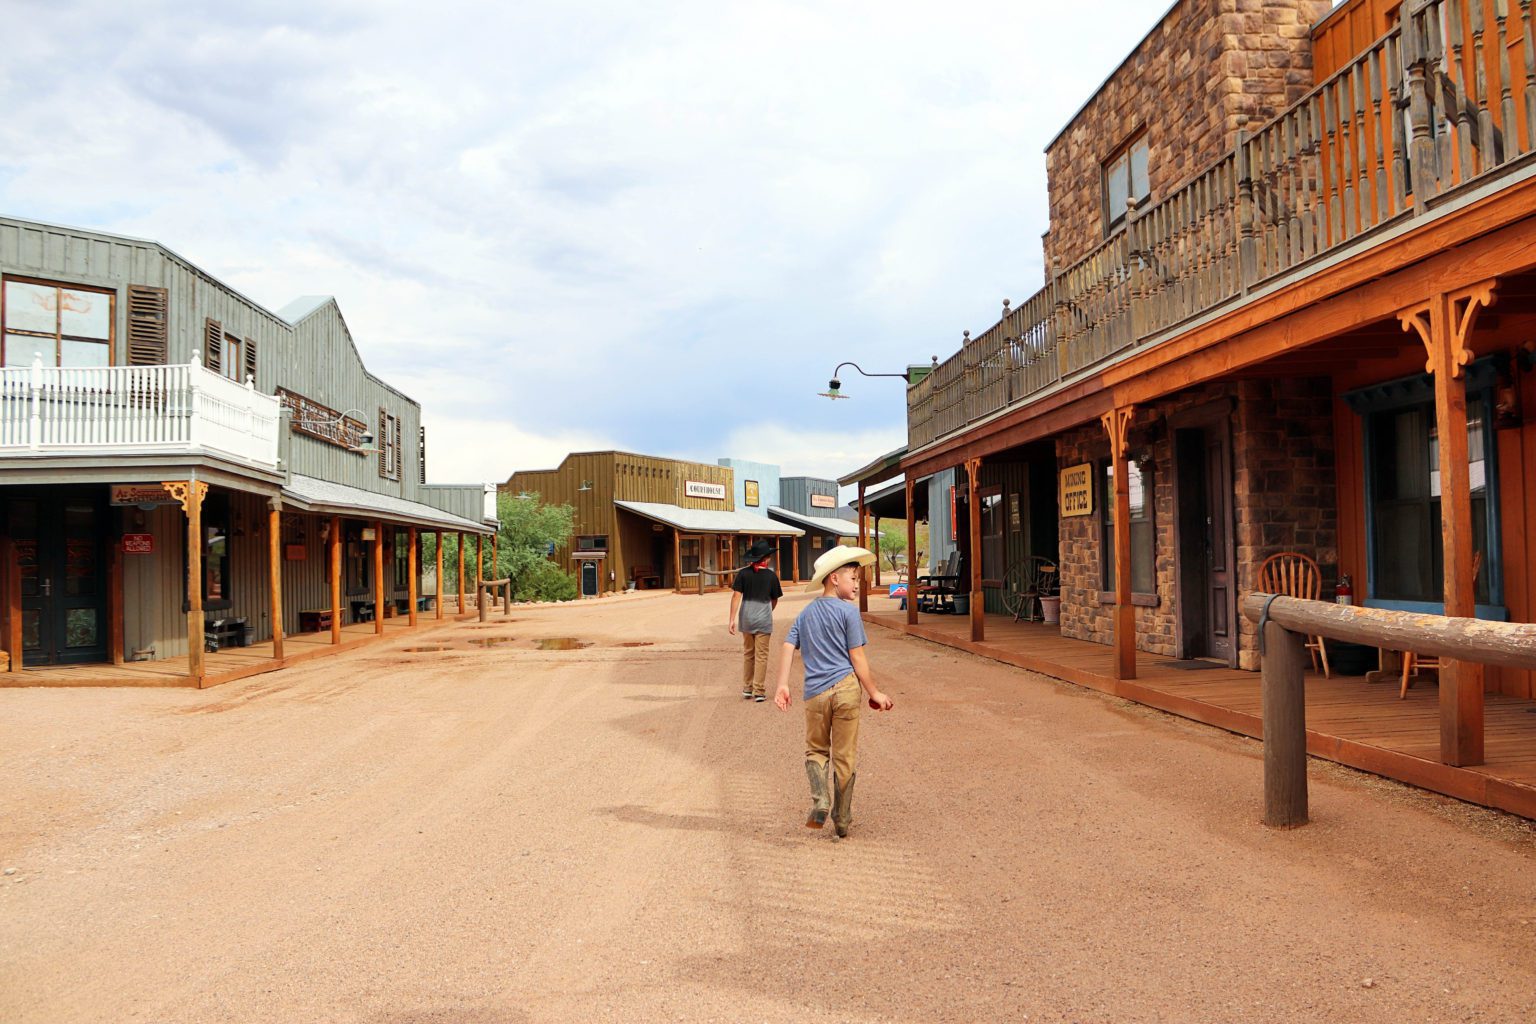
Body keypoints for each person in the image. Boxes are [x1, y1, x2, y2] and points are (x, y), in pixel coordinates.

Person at [773, 545, 893, 839]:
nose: (856, 584)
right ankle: (841, 818)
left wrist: (783, 684)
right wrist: (874, 692)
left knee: (816, 749)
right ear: (834, 579)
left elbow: (788, 646)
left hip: (815, 693)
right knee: (845, 754)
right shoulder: (848, 613)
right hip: (846, 690)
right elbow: (857, 657)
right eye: (853, 578)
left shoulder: (805, 614)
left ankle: (820, 799)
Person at [729, 538, 783, 702]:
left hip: (746, 619)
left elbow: (736, 596)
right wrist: (768, 611)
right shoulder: (771, 576)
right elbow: (774, 600)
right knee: (761, 656)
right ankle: (759, 690)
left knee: (748, 654)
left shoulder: (743, 574)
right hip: (763, 620)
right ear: (766, 558)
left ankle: (747, 687)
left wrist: (732, 619)